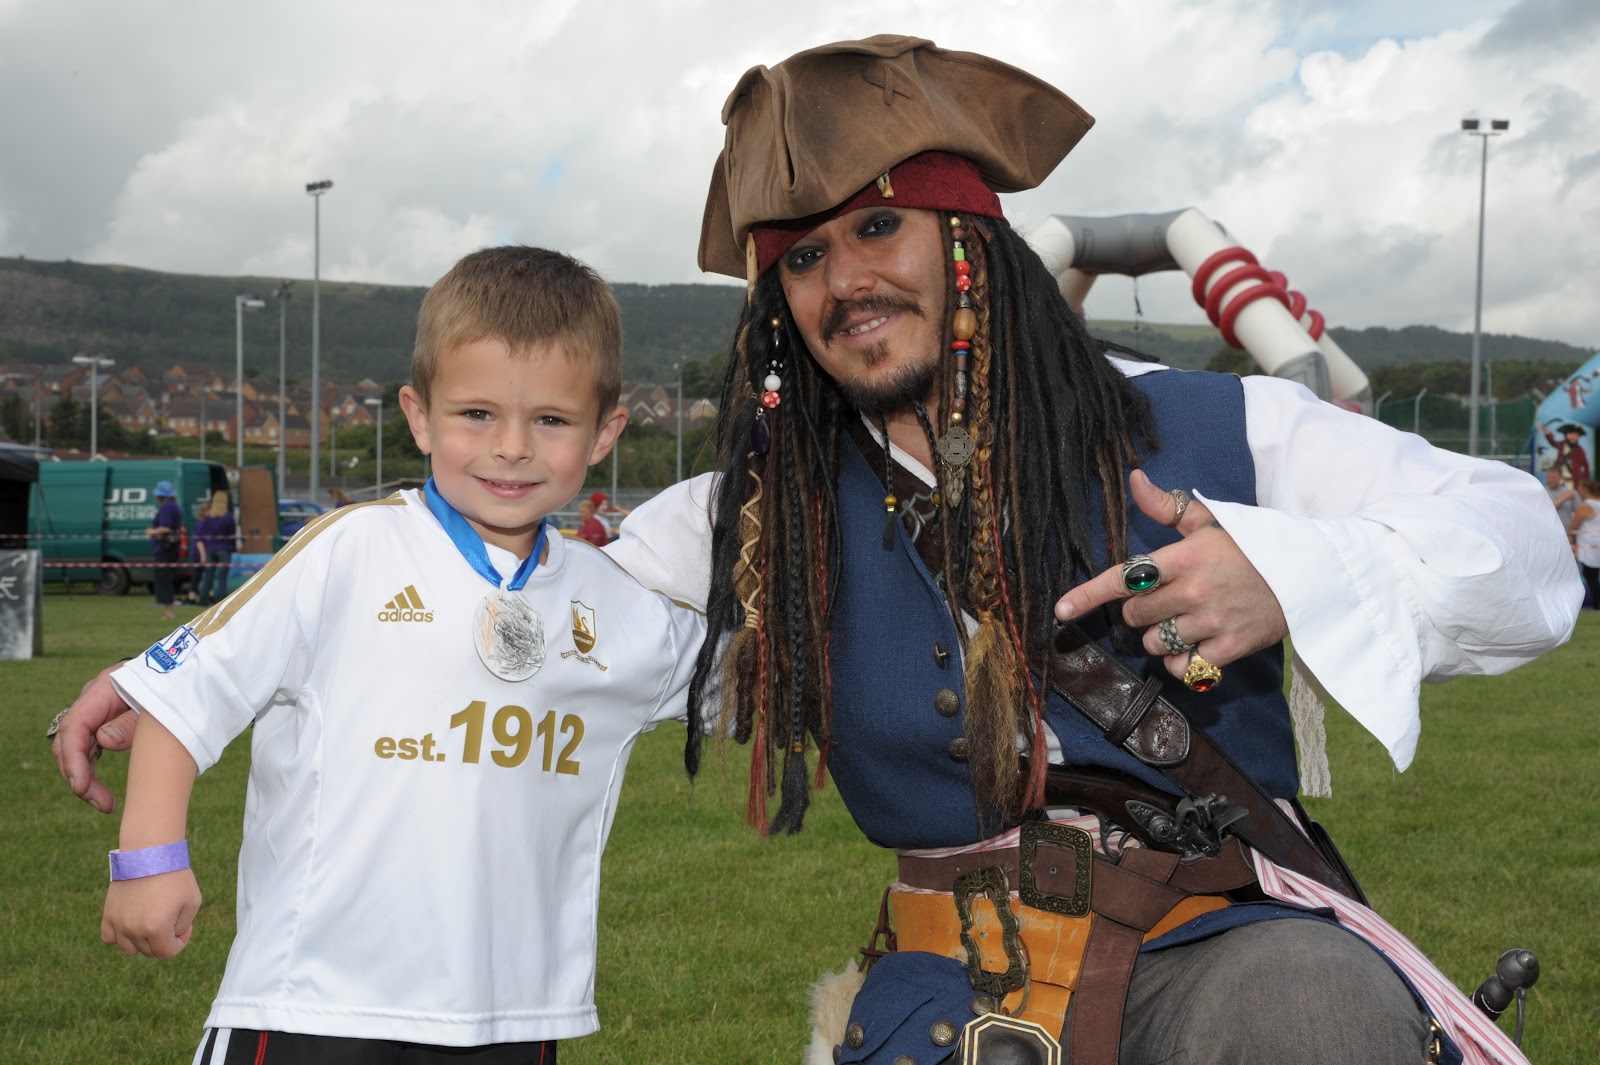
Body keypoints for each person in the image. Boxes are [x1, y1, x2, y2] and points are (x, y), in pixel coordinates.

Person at [50, 36, 1580, 1065]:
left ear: (969, 244)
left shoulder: (1218, 426)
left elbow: (1519, 544)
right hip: (954, 978)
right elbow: (504, 595)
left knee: (1312, 1010)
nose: (844, 281)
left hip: (1219, 945)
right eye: (801, 260)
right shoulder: (752, 515)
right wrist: (190, 667)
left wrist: (1285, 572)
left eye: (878, 229)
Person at [94, 245, 702, 1064]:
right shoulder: (351, 549)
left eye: (552, 420)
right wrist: (149, 859)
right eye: (476, 413)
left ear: (605, 432)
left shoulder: (618, 603)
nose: (512, 446)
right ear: (419, 416)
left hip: (512, 1017)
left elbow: (763, 676)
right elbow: (183, 696)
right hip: (313, 1002)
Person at [143, 479, 185, 622]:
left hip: (164, 549)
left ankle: (169, 612)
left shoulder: (167, 507)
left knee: (163, 580)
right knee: (167, 579)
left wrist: (152, 532)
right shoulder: (174, 506)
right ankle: (169, 611)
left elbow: (165, 527)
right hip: (171, 549)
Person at [188, 489, 235, 606]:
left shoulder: (208, 518)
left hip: (210, 549)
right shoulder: (228, 517)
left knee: (208, 576)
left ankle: (203, 600)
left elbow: (203, 535)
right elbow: (232, 533)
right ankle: (221, 601)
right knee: (222, 577)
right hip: (224, 548)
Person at [1569, 478, 1600, 610]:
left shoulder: (1585, 506)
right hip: (1595, 544)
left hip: (1590, 545)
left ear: (1585, 489)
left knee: (1590, 574)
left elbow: (1573, 527)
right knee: (1593, 574)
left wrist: (1570, 539)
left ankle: (1597, 605)